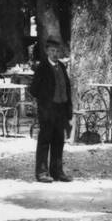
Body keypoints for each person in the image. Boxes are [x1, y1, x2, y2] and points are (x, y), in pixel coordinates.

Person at [29, 36, 72, 182]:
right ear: (47, 51)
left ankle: (57, 172)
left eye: (57, 51)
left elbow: (67, 88)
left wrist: (68, 110)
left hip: (61, 110)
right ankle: (41, 173)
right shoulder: (42, 68)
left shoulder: (62, 66)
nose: (55, 53)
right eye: (52, 50)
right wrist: (45, 101)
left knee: (59, 141)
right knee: (44, 141)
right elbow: (33, 90)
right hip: (47, 111)